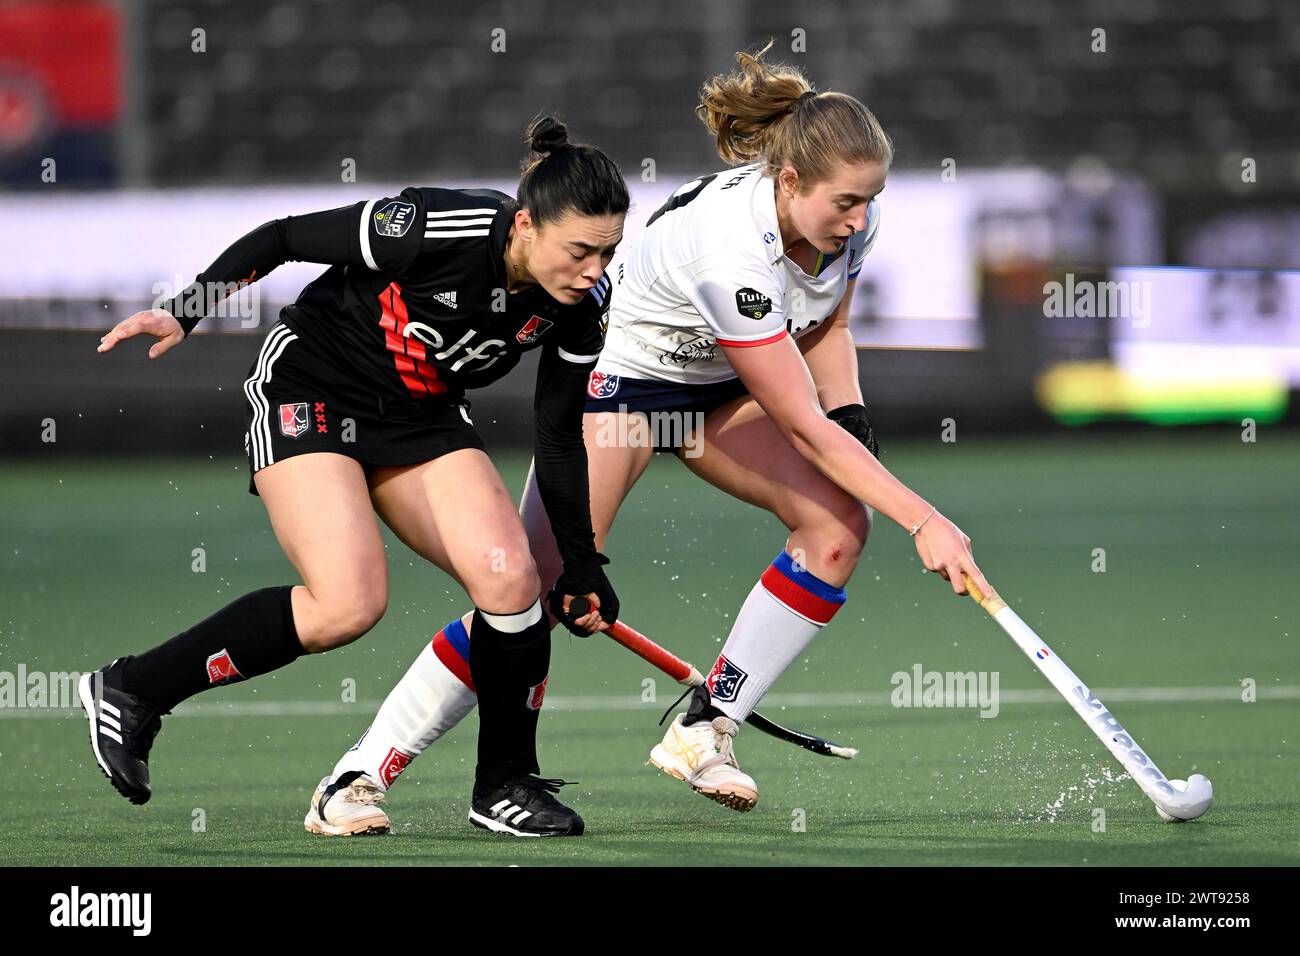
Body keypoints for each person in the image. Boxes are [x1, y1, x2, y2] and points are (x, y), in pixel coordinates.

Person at [303, 42, 991, 834]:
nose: (861, 218)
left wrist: (852, 412)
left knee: (837, 524)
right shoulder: (730, 251)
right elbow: (798, 423)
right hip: (622, 385)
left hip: (712, 390)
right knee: (527, 595)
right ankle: (358, 776)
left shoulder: (844, 221)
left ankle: (707, 726)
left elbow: (827, 318)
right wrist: (925, 519)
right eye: (846, 202)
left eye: (871, 200)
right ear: (790, 181)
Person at [79, 116, 629, 838]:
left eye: (608, 251)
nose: (594, 270)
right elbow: (281, 237)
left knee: (512, 582)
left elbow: (557, 435)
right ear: (525, 224)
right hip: (314, 387)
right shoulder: (437, 225)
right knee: (347, 603)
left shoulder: (581, 306)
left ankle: (504, 785)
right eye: (581, 250)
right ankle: (133, 688)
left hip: (423, 417)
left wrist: (583, 564)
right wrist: (188, 309)